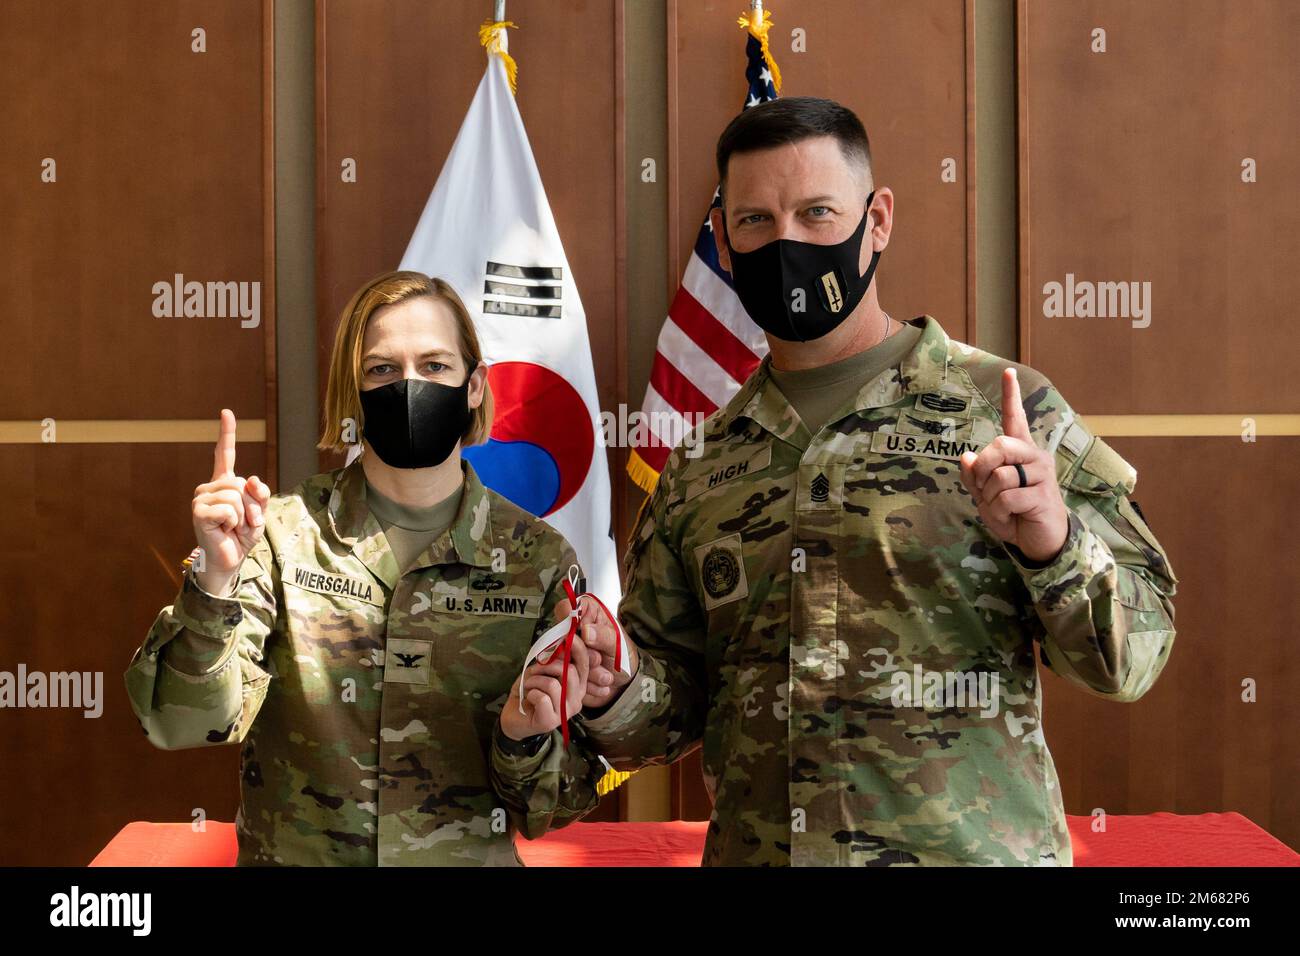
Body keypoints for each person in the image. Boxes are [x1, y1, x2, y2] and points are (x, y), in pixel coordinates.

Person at [567, 97, 1178, 866]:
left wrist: (1055, 544)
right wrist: (611, 682)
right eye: (756, 221)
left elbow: (1136, 658)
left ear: (877, 219)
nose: (786, 243)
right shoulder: (700, 467)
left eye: (817, 213)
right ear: (723, 239)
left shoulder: (1006, 411)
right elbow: (671, 712)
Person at [125, 270, 605, 866]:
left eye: (434, 366)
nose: (410, 386)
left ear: (475, 386)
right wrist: (214, 582)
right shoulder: (278, 536)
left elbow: (553, 804)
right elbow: (181, 722)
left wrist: (521, 736)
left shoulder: (538, 561)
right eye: (383, 369)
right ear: (354, 390)